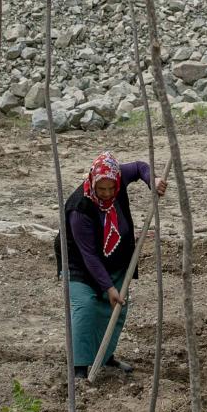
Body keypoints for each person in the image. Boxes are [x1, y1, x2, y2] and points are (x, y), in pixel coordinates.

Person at [59, 150, 167, 378]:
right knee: (86, 307)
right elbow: (88, 255)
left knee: (115, 308)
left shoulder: (117, 176)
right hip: (78, 261)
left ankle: (105, 357)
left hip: (115, 257)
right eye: (102, 189)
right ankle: (79, 369)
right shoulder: (80, 209)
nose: (107, 194)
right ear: (93, 182)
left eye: (111, 189)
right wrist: (108, 287)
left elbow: (139, 167)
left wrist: (153, 180)